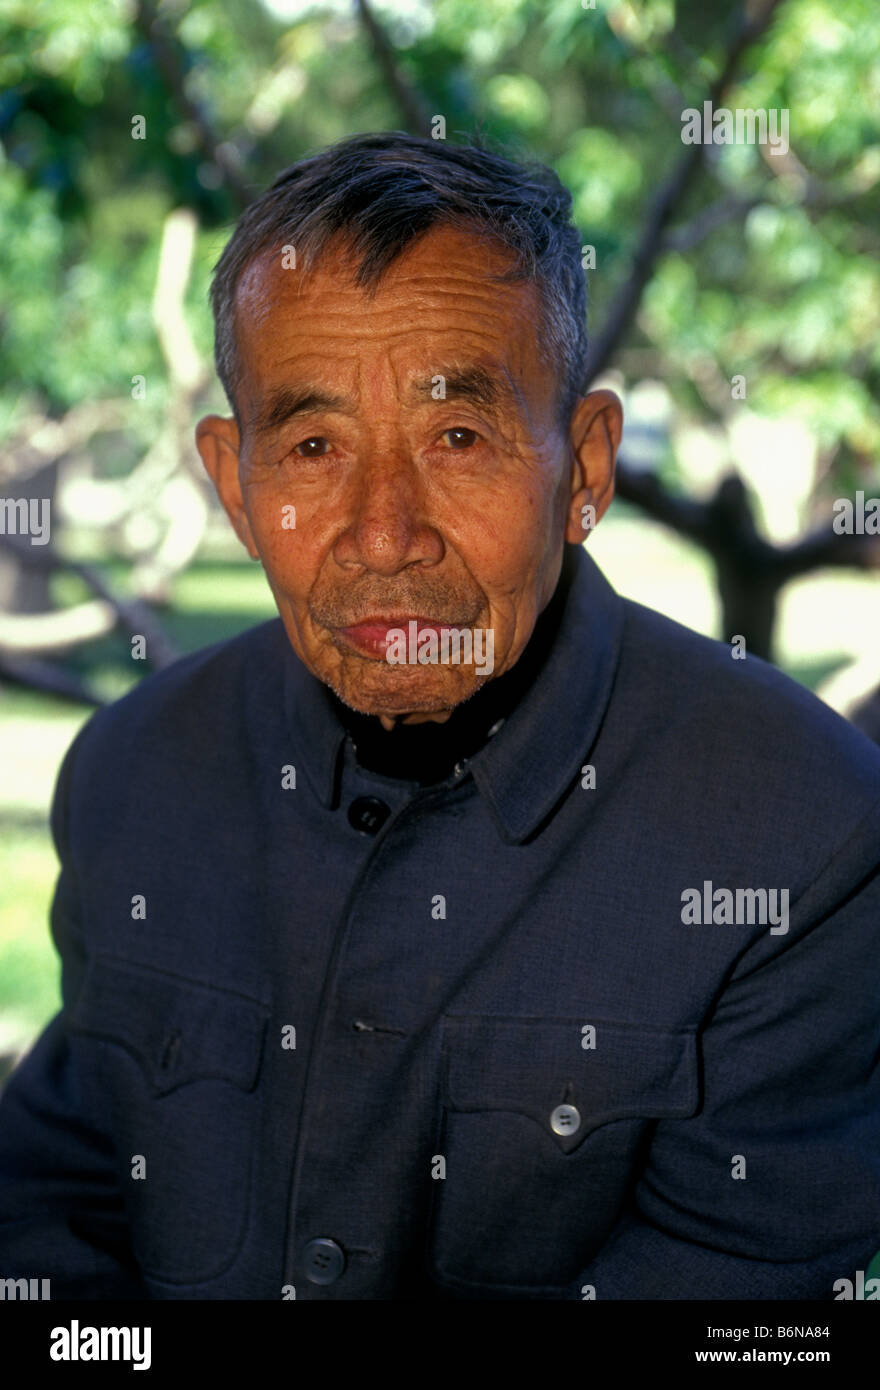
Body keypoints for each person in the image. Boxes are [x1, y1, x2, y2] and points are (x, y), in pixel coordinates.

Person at [1, 132, 878, 1301]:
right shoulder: (134, 772)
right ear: (239, 486)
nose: (382, 534)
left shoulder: (802, 831)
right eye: (313, 446)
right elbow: (54, 1194)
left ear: (585, 470)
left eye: (456, 437)